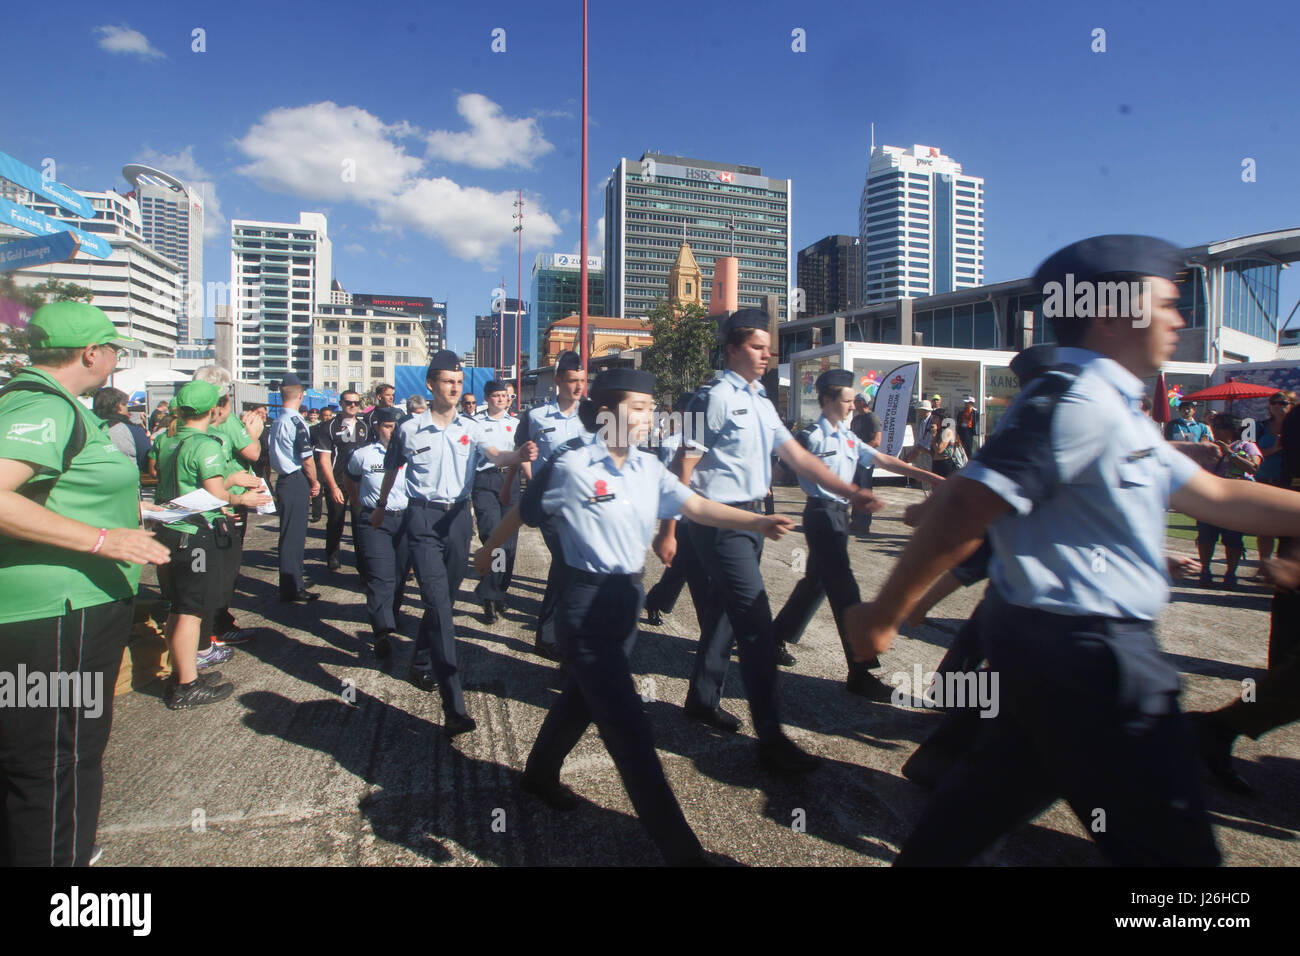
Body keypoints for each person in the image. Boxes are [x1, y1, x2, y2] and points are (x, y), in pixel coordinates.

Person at [844, 234, 1300, 866]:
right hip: (1095, 662)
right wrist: (886, 613)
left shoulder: (1112, 406)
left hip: (1051, 655)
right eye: (1168, 303)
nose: (1181, 319)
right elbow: (966, 504)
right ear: (1116, 312)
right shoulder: (1073, 398)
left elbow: (1217, 498)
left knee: (964, 823)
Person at [473, 368, 795, 864]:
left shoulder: (648, 468)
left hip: (627, 601)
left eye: (651, 407)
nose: (650, 416)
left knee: (580, 700)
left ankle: (538, 774)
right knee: (630, 730)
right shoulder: (573, 463)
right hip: (584, 606)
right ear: (606, 412)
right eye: (640, 407)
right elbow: (525, 509)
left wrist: (757, 519)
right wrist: (488, 548)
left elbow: (697, 506)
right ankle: (682, 850)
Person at [670, 308, 879, 773]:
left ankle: (702, 699)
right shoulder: (711, 398)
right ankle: (772, 739)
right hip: (719, 524)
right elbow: (683, 465)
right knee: (756, 626)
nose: (767, 354)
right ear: (731, 349)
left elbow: (797, 456)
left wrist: (850, 490)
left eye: (769, 347)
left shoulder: (761, 401)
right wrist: (669, 529)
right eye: (757, 347)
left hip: (751, 519)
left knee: (726, 617)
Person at [0, 301, 170, 866]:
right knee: (54, 761)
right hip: (54, 614)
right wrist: (104, 540)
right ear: (91, 353)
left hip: (69, 608)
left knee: (61, 757)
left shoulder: (60, 408)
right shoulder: (44, 408)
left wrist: (132, 516)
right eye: (114, 349)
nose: (117, 359)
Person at [371, 351, 537, 736]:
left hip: (459, 518)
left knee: (441, 599)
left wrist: (519, 454)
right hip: (422, 517)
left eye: (459, 382)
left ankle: (421, 661)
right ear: (430, 385)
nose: (454, 387)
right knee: (441, 608)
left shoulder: (471, 427)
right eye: (448, 381)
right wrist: (381, 507)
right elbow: (393, 468)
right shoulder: (408, 429)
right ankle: (454, 705)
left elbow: (494, 453)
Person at [772, 369, 943, 695]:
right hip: (822, 516)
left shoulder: (847, 437)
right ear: (827, 401)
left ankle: (774, 637)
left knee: (817, 584)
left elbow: (883, 460)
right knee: (846, 592)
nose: (853, 406)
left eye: (853, 401)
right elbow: (779, 469)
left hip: (839, 516)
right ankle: (861, 671)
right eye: (847, 401)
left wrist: (932, 479)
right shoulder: (811, 436)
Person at [153, 381, 271, 709]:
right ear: (214, 410)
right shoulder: (204, 445)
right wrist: (241, 497)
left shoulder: (166, 438)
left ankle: (185, 670)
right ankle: (186, 684)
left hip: (169, 529)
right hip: (195, 533)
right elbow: (214, 494)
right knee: (192, 611)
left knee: (179, 606)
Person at [509, 350, 588, 660]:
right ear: (557, 381)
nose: (578, 387)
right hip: (550, 505)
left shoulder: (593, 416)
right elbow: (521, 451)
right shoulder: (536, 416)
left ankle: (548, 634)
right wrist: (532, 481)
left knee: (565, 567)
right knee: (568, 560)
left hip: (583, 506)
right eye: (572, 381)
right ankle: (560, 634)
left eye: (582, 380)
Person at [194, 365, 266, 648]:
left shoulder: (176, 427)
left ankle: (207, 629)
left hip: (199, 509)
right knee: (224, 568)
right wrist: (254, 432)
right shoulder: (225, 421)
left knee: (203, 572)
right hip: (226, 503)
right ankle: (215, 627)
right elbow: (252, 451)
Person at [345, 406, 410, 659]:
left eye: (396, 427)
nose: (392, 431)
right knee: (380, 577)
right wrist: (359, 505)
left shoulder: (410, 454)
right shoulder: (362, 454)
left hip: (405, 520)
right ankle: (382, 631)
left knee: (399, 574)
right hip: (375, 521)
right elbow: (350, 480)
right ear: (377, 427)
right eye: (387, 426)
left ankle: (392, 615)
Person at [642, 392, 701, 628]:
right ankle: (655, 602)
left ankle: (655, 602)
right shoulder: (671, 442)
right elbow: (673, 477)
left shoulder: (704, 436)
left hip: (703, 507)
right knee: (687, 568)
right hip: (685, 511)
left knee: (684, 568)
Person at [470, 380, 520, 624]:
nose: (502, 400)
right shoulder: (475, 424)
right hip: (486, 482)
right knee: (492, 539)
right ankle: (489, 597)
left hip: (510, 482)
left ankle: (499, 590)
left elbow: (525, 457)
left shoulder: (517, 424)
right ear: (487, 398)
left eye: (505, 396)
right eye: (497, 396)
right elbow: (487, 454)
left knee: (508, 546)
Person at [1194, 412, 1261, 589]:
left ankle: (1231, 572)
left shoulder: (1247, 447)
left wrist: (1230, 453)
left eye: (1218, 426)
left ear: (1230, 429)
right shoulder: (1208, 448)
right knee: (1206, 537)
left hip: (1235, 501)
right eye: (1213, 426)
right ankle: (1205, 569)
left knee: (1233, 539)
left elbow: (1253, 467)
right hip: (1209, 499)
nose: (1214, 430)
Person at [270, 373, 321, 602]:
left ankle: (292, 583)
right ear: (301, 395)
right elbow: (307, 458)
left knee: (289, 535)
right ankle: (293, 587)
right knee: (294, 537)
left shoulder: (278, 420)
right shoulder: (295, 421)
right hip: (295, 479)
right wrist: (314, 481)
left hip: (284, 480)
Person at [314, 390, 370, 572]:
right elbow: (324, 459)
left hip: (359, 484)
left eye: (356, 402)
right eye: (349, 402)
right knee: (335, 520)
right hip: (338, 481)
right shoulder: (329, 426)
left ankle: (362, 563)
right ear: (341, 403)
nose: (353, 406)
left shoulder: (364, 427)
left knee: (359, 524)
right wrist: (332, 486)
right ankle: (332, 556)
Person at [1253, 389, 1295, 577]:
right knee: (1264, 527)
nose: (1278, 406)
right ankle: (1265, 564)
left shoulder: (1295, 427)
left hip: (1287, 483)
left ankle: (1284, 565)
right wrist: (1275, 448)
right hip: (1264, 480)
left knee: (1287, 528)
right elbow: (1254, 453)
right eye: (1274, 402)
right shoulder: (1261, 426)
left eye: (1283, 403)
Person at [94, 386, 151, 473]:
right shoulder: (133, 431)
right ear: (120, 406)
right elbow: (146, 461)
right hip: (127, 481)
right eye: (125, 405)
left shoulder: (85, 428)